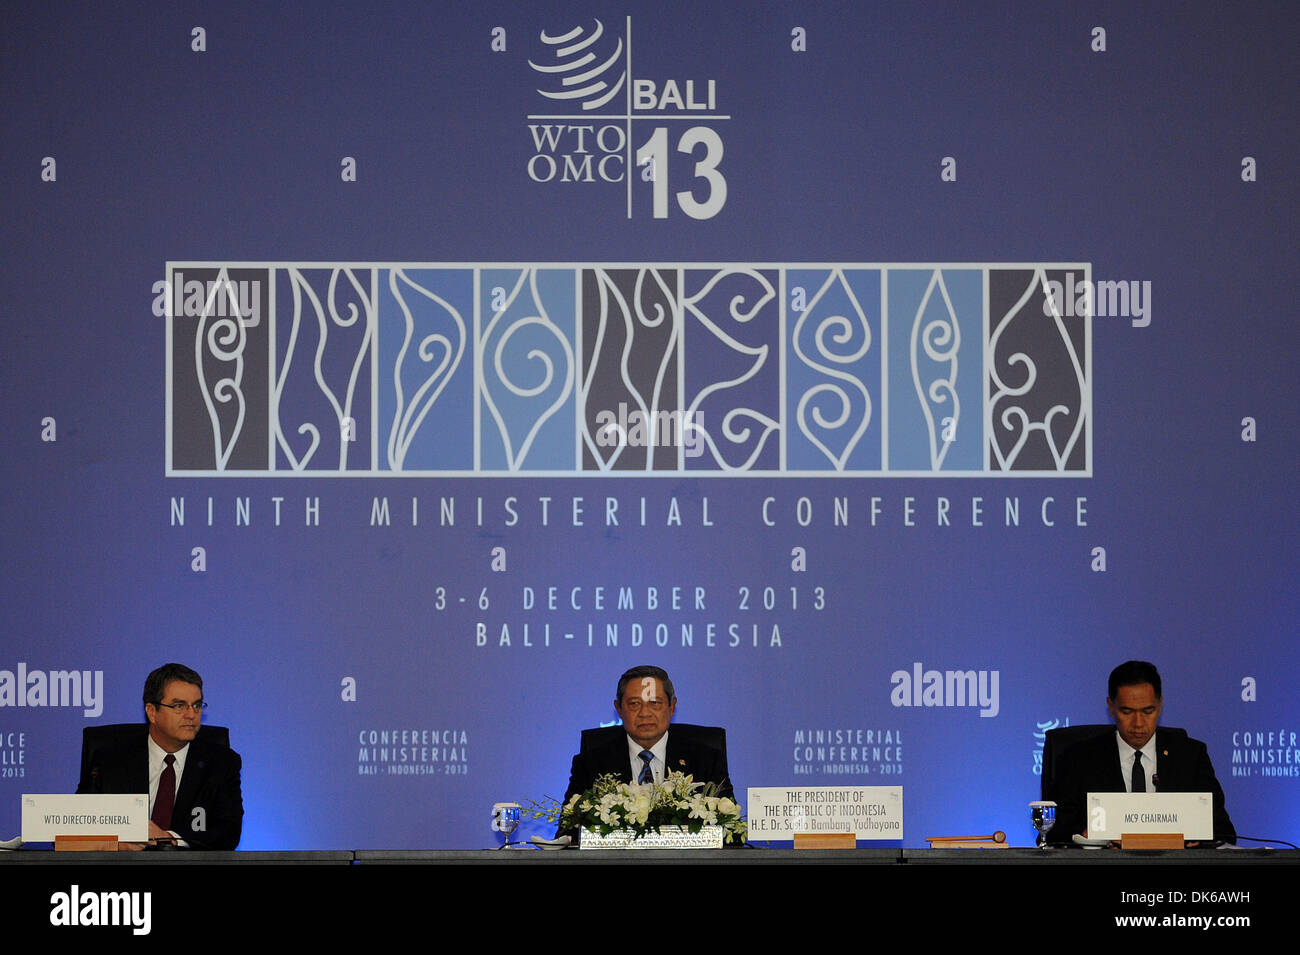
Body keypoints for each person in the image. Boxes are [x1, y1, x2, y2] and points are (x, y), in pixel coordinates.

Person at [1049, 660, 1235, 844]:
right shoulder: (1078, 759)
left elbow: (1224, 831)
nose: (1138, 723)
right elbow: (1054, 834)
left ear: (1160, 706)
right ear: (1111, 707)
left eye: (1148, 711)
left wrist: (1200, 838)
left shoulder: (1190, 756)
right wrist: (1084, 836)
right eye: (1127, 711)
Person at [77, 663, 243, 850]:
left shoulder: (221, 763)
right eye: (179, 706)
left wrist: (169, 838)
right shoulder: (111, 759)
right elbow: (74, 827)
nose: (191, 714)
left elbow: (228, 833)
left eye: (196, 705)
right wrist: (117, 844)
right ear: (152, 712)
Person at [561, 665, 733, 809]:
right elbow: (569, 832)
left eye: (655, 703)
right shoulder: (590, 764)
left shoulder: (706, 760)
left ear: (672, 707)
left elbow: (728, 832)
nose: (645, 713)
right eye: (634, 704)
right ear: (619, 708)